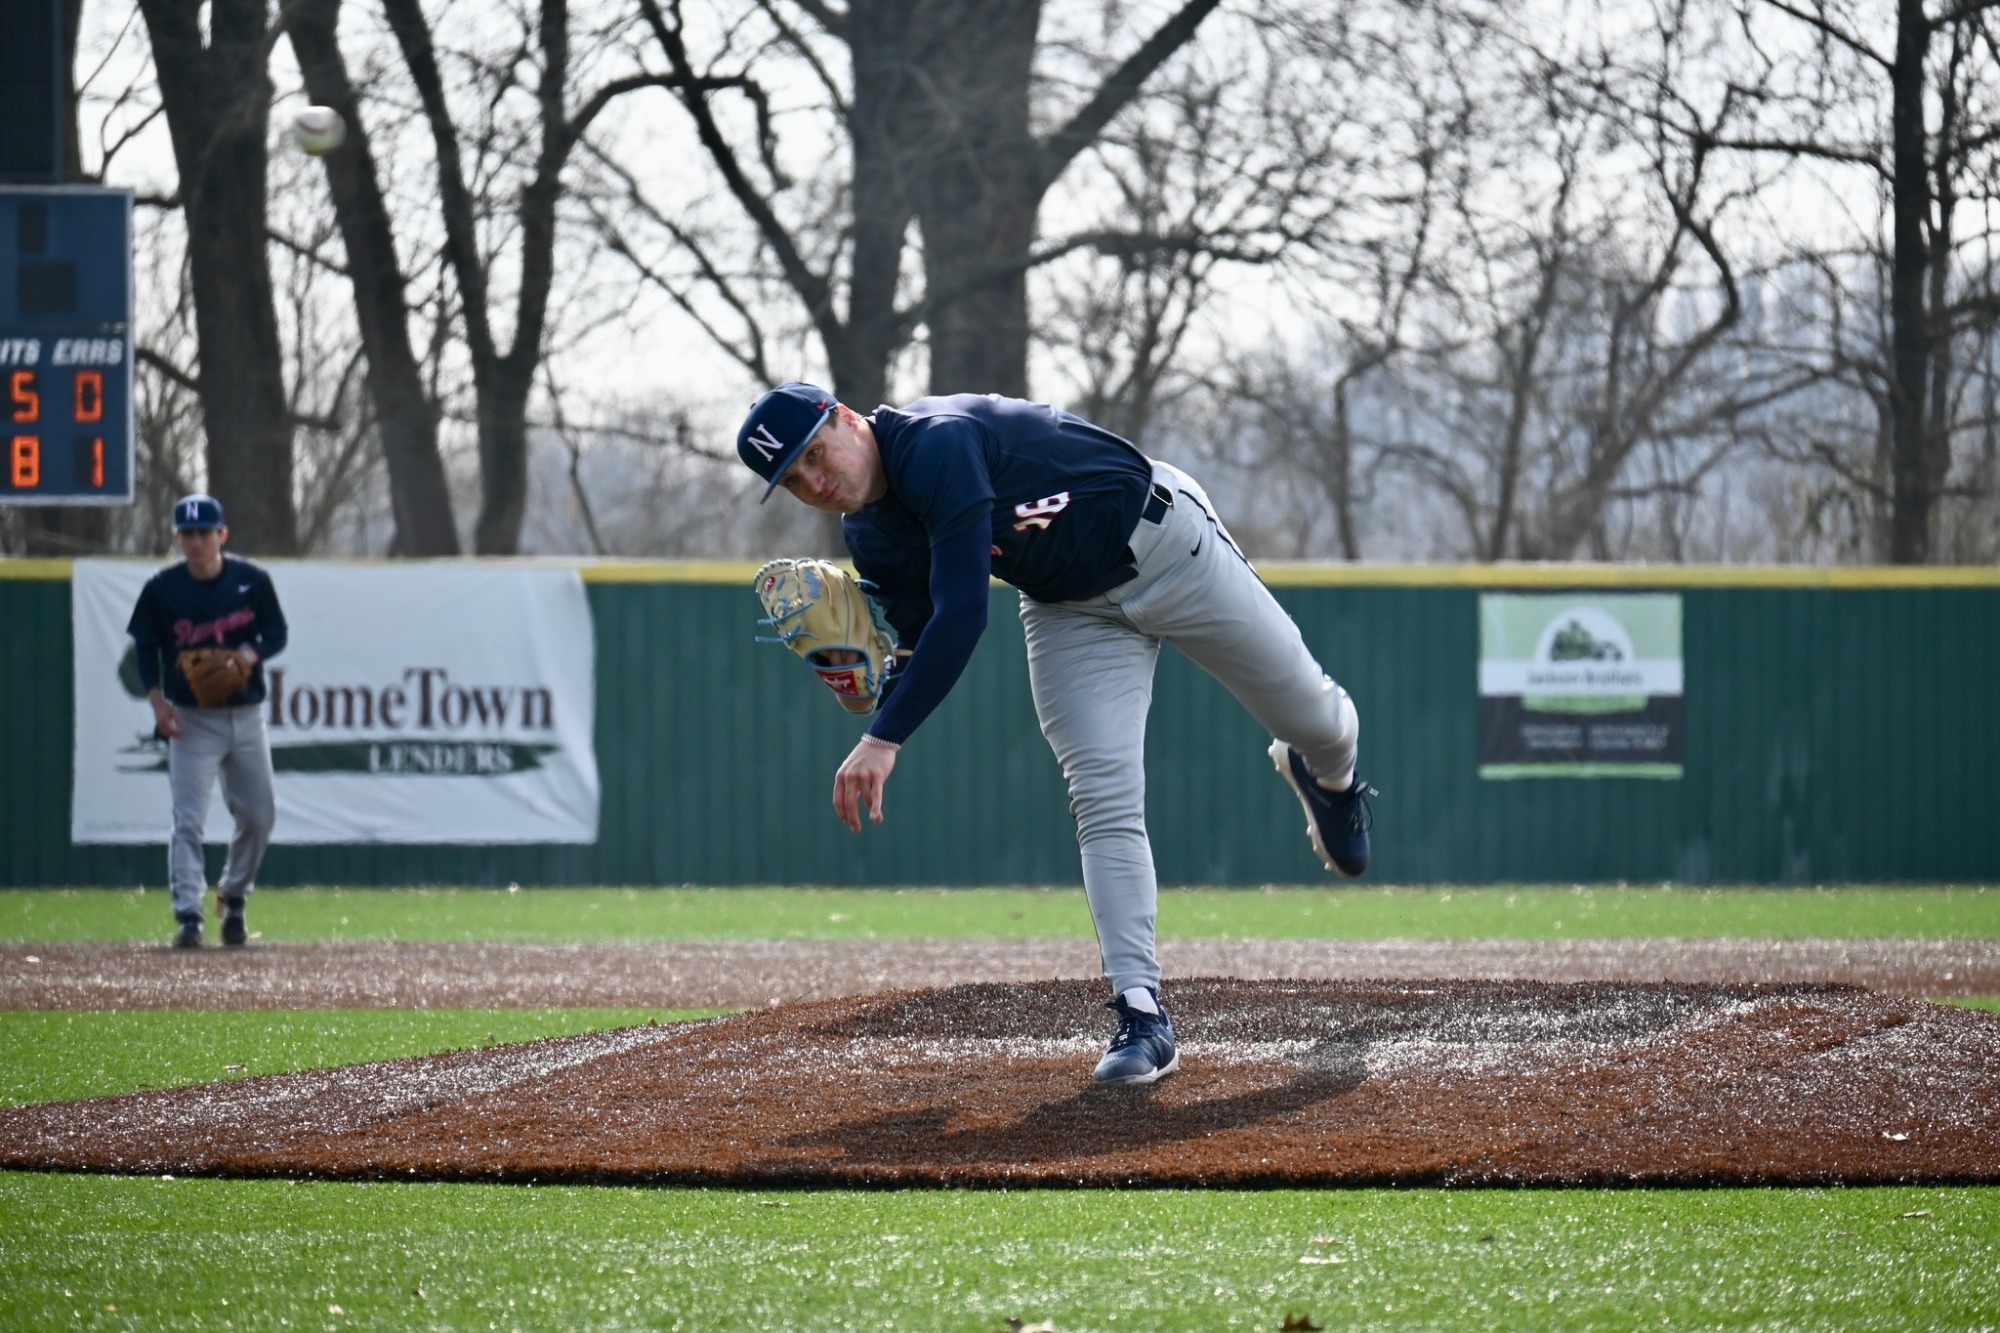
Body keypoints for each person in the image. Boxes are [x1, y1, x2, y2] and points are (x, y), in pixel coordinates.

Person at [738, 384, 1376, 1085]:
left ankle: (1329, 775)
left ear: (848, 419)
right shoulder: (870, 531)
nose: (816, 481)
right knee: (1101, 795)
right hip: (1069, 610)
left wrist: (885, 736)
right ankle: (1141, 1013)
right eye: (794, 480)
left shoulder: (935, 442)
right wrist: (879, 683)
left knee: (1312, 716)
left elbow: (963, 616)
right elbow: (921, 640)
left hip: (1165, 544)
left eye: (815, 454)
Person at [127, 494, 288, 948]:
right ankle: (189, 915)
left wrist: (247, 654)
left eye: (205, 532)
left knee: (259, 815)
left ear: (222, 534)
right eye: (188, 533)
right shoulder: (162, 589)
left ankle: (233, 898)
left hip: (246, 713)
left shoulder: (250, 580)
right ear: (177, 538)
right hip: (192, 720)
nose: (197, 541)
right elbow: (145, 649)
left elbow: (276, 632)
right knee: (189, 821)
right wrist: (159, 705)